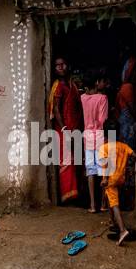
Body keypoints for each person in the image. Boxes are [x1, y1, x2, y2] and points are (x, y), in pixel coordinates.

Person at [47, 58, 84, 204]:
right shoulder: (58, 86)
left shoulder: (71, 85)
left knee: (76, 161)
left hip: (75, 128)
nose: (61, 67)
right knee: (67, 161)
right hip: (63, 129)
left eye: (63, 64)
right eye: (57, 65)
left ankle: (77, 194)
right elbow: (56, 109)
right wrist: (64, 128)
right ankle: (68, 197)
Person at [97, 135, 136, 245]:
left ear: (106, 136)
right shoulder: (123, 146)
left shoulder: (104, 147)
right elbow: (135, 155)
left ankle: (122, 230)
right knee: (110, 198)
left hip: (110, 179)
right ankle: (112, 222)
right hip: (120, 178)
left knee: (114, 203)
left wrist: (105, 178)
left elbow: (106, 163)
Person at [81, 74, 111, 213]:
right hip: (100, 136)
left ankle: (93, 205)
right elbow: (103, 119)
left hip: (87, 136)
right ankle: (103, 204)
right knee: (104, 170)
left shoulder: (83, 98)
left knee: (90, 171)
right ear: (97, 82)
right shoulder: (102, 98)